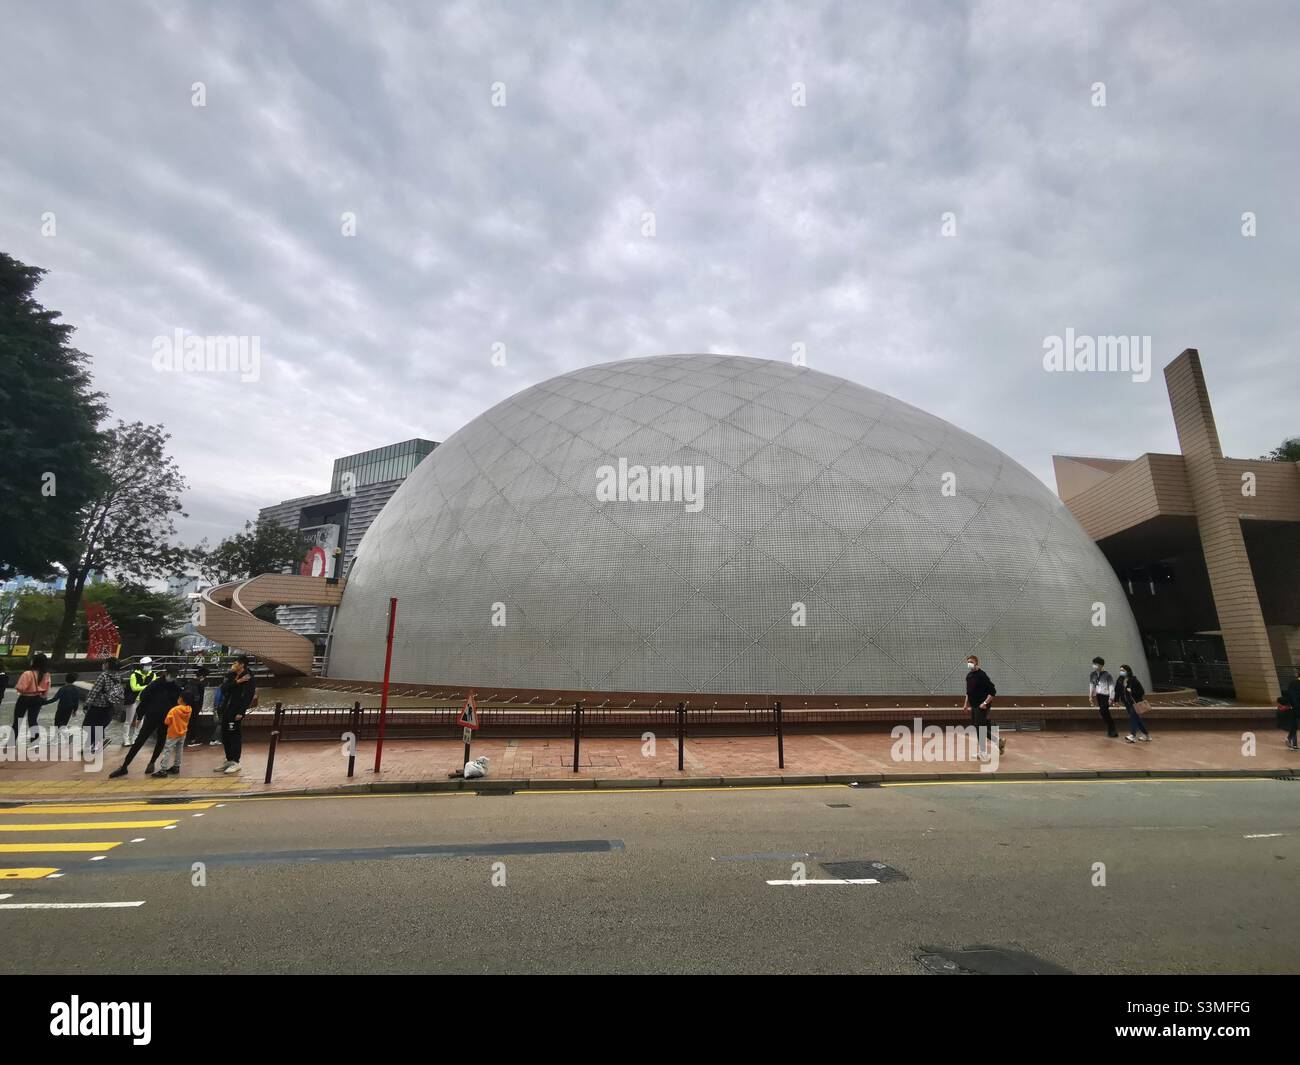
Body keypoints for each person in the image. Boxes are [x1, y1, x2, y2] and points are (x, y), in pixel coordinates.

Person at [108, 668, 181, 778]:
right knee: (139, 741)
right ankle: (124, 766)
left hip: (166, 719)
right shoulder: (155, 685)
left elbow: (177, 703)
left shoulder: (175, 687)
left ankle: (152, 763)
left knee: (160, 741)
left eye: (175, 676)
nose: (173, 678)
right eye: (172, 675)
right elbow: (143, 698)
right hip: (151, 717)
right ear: (166, 674)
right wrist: (140, 715)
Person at [215, 656, 256, 774]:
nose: (234, 664)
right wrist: (237, 681)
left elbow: (248, 697)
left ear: (242, 664)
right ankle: (229, 760)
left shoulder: (249, 678)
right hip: (226, 710)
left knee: (234, 735)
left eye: (236, 663)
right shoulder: (233, 676)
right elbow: (223, 689)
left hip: (235, 712)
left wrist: (241, 712)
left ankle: (236, 762)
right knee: (225, 734)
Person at [962, 654, 1004, 762]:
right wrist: (966, 704)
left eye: (971, 661)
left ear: (977, 663)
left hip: (982, 706)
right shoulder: (969, 676)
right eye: (968, 662)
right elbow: (968, 692)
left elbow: (992, 692)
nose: (969, 664)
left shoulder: (982, 675)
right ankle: (998, 742)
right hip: (974, 705)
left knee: (980, 728)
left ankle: (983, 752)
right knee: (978, 728)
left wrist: (985, 703)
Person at [83, 659, 124, 754]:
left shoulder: (103, 676)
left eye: (105, 663)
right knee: (99, 726)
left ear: (108, 665)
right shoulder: (117, 676)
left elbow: (94, 691)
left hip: (98, 705)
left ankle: (94, 744)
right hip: (110, 705)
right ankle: (92, 746)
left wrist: (87, 704)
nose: (103, 664)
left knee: (89, 725)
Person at [152, 691, 192, 778]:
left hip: (173, 733)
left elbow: (167, 721)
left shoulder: (174, 710)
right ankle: (176, 767)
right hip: (183, 732)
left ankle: (163, 770)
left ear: (181, 699)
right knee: (179, 750)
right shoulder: (189, 709)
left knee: (167, 750)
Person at [12, 653, 52, 742]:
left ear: (34, 662)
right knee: (32, 719)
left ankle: (12, 741)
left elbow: (20, 688)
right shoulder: (47, 675)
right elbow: (46, 691)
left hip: (25, 698)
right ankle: (35, 736)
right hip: (38, 699)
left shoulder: (27, 674)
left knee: (17, 720)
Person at [124, 656, 158, 745]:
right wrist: (147, 686)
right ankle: (126, 739)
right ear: (142, 665)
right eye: (147, 665)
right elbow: (134, 688)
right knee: (129, 720)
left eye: (150, 664)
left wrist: (146, 688)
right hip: (133, 700)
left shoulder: (153, 675)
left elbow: (154, 687)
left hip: (144, 701)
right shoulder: (134, 675)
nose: (149, 666)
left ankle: (135, 739)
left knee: (140, 720)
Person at [1114, 664, 1151, 743]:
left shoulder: (1133, 680)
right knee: (1136, 719)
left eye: (1123, 670)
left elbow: (1142, 691)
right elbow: (1117, 690)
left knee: (1133, 718)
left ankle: (1132, 736)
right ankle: (1146, 735)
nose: (1121, 672)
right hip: (1126, 702)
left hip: (1135, 703)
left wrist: (1132, 691)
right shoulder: (1120, 679)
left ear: (1128, 671)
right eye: (1120, 670)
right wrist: (1116, 701)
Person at [43, 671, 87, 736]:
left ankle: (60, 736)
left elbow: (54, 699)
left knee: (57, 722)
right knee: (64, 722)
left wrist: (43, 702)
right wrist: (75, 710)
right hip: (69, 708)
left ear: (65, 679)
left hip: (61, 707)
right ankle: (65, 735)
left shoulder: (62, 689)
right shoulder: (76, 689)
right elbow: (76, 701)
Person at [1088, 656, 1119, 738]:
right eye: (1093, 664)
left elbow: (1111, 687)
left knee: (1103, 711)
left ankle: (1112, 729)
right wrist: (1090, 696)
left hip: (1106, 695)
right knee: (1104, 712)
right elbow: (1091, 685)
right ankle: (1111, 729)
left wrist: (1111, 698)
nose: (1094, 666)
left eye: (1096, 664)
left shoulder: (1107, 675)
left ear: (1101, 665)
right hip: (1099, 695)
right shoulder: (1092, 674)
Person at [1278, 666, 1300, 752]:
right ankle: (1292, 742)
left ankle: (1292, 742)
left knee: (1294, 726)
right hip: (1295, 708)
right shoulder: (1295, 684)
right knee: (1294, 726)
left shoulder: (1293, 683)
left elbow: (1289, 695)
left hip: (1293, 707)